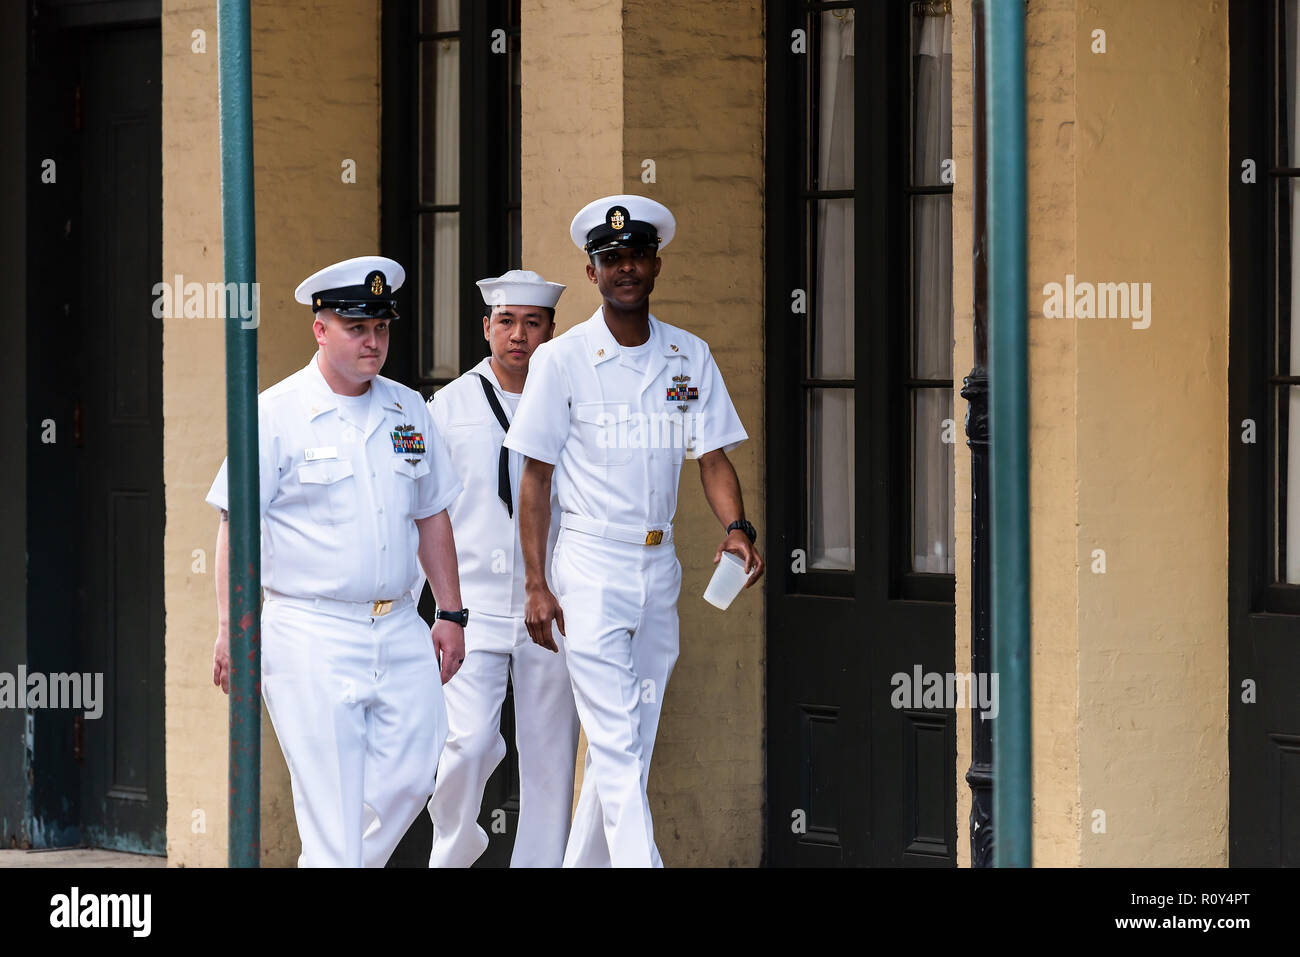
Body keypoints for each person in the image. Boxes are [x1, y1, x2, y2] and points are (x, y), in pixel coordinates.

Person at [505, 196, 765, 867]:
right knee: (617, 742)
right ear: (591, 274)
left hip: (660, 566)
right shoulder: (561, 360)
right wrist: (535, 583)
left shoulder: (689, 354)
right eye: (609, 258)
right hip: (590, 564)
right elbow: (533, 477)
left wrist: (736, 526)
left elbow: (712, 457)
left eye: (635, 256)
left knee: (631, 742)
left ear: (656, 263)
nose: (625, 268)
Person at [207, 255, 470, 868]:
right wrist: (228, 627)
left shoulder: (409, 409)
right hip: (309, 629)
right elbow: (234, 527)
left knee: (414, 774)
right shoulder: (274, 413)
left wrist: (451, 612)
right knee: (332, 802)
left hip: (400, 623)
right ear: (320, 329)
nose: (372, 342)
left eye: (381, 328)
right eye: (357, 328)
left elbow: (432, 516)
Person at [420, 269, 580, 868]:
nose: (519, 335)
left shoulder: (570, 398)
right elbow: (425, 508)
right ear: (486, 328)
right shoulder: (449, 405)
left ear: (551, 330)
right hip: (474, 607)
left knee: (550, 755)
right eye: (507, 322)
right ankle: (454, 852)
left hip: (551, 603)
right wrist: (435, 604)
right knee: (466, 744)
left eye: (532, 323)